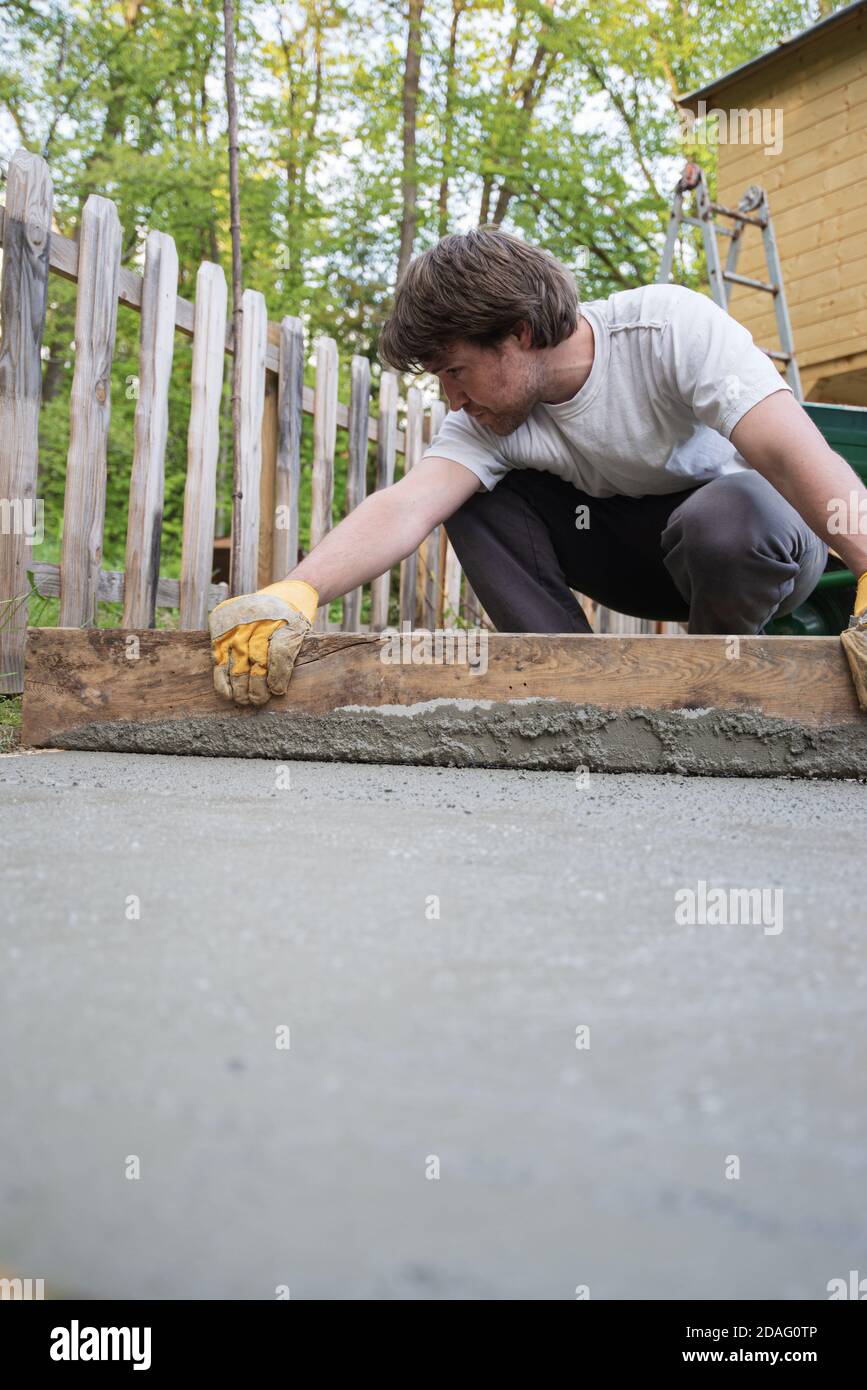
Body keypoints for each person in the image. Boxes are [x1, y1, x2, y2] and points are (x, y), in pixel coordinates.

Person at [209, 228, 867, 706]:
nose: (452, 397)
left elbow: (792, 452)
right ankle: (576, 692)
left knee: (730, 515)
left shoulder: (669, 331)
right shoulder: (484, 421)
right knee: (467, 498)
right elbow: (408, 504)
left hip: (753, 549)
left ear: (519, 333)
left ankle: (707, 690)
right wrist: (294, 592)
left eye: (455, 370)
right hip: (633, 561)